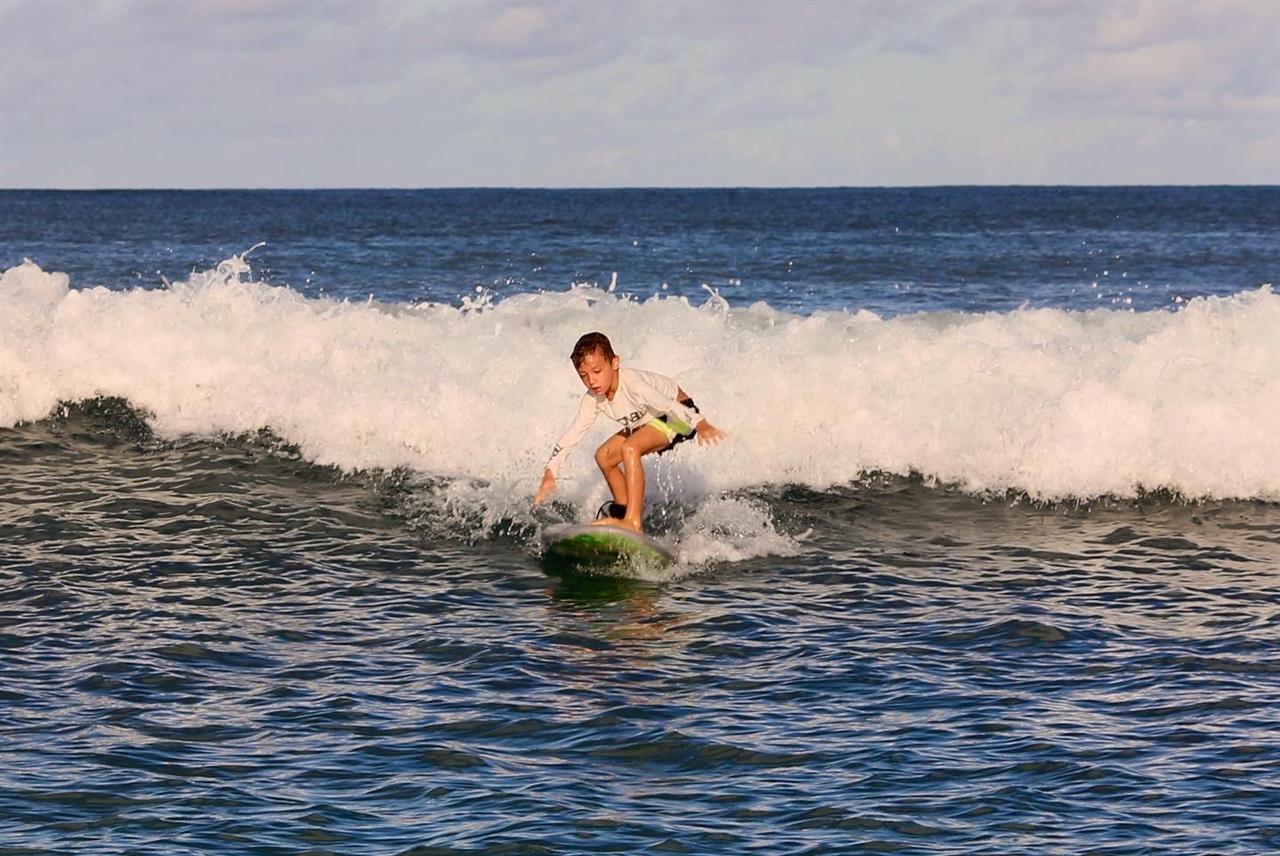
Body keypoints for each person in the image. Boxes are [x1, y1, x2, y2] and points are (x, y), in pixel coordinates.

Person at [533, 332, 726, 532]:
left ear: (615, 363)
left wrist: (699, 423)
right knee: (604, 456)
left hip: (679, 415)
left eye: (597, 371)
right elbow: (573, 434)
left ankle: (633, 522)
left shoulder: (632, 384)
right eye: (584, 376)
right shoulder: (593, 399)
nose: (591, 380)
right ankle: (625, 513)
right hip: (649, 420)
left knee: (630, 448)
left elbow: (666, 404)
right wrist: (551, 470)